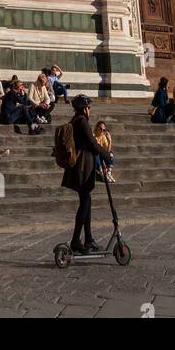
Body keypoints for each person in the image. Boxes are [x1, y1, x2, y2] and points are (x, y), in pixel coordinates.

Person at [61, 94, 107, 253]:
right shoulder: (82, 121)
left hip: (81, 166)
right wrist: (106, 154)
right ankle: (76, 240)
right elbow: (92, 143)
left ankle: (88, 239)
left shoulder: (76, 120)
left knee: (86, 200)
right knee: (85, 201)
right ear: (84, 108)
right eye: (89, 107)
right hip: (81, 167)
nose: (90, 109)